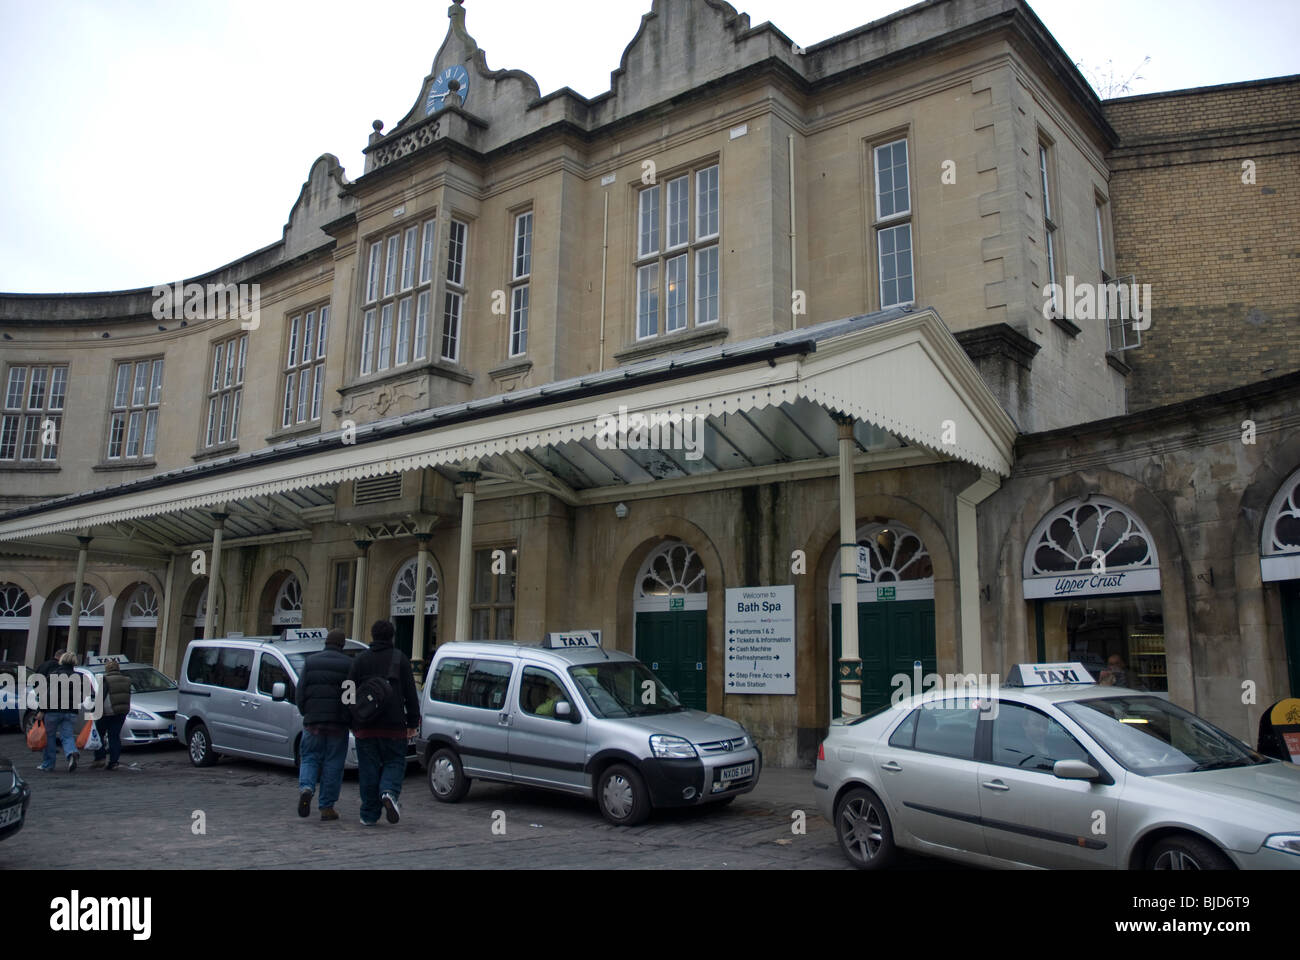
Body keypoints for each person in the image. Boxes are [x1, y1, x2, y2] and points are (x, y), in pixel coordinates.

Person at [348, 620, 419, 826]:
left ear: (372, 635)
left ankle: (369, 814)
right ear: (392, 636)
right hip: (394, 724)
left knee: (368, 768)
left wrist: (351, 717)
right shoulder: (400, 659)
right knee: (395, 762)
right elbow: (410, 694)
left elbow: (347, 690)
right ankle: (388, 792)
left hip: (365, 724)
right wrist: (413, 721)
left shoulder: (360, 660)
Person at [295, 628, 353, 821]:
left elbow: (300, 692)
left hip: (313, 721)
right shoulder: (349, 665)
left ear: (326, 642)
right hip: (338, 724)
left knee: (310, 757)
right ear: (342, 645)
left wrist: (306, 712)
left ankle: (307, 787)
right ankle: (327, 806)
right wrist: (348, 718)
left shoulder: (311, 662)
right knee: (333, 763)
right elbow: (349, 697)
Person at [38, 652, 86, 773]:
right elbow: (83, 696)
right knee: (67, 736)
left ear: (61, 661)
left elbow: (47, 694)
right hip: (71, 710)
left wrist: (41, 711)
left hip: (53, 710)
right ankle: (71, 753)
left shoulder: (54, 675)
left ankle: (48, 764)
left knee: (50, 737)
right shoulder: (79, 677)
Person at [92, 659, 133, 770]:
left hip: (108, 712)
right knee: (114, 736)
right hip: (121, 711)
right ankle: (114, 762)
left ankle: (100, 758)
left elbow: (101, 697)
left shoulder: (105, 680)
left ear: (107, 669)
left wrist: (94, 710)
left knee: (99, 734)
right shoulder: (127, 680)